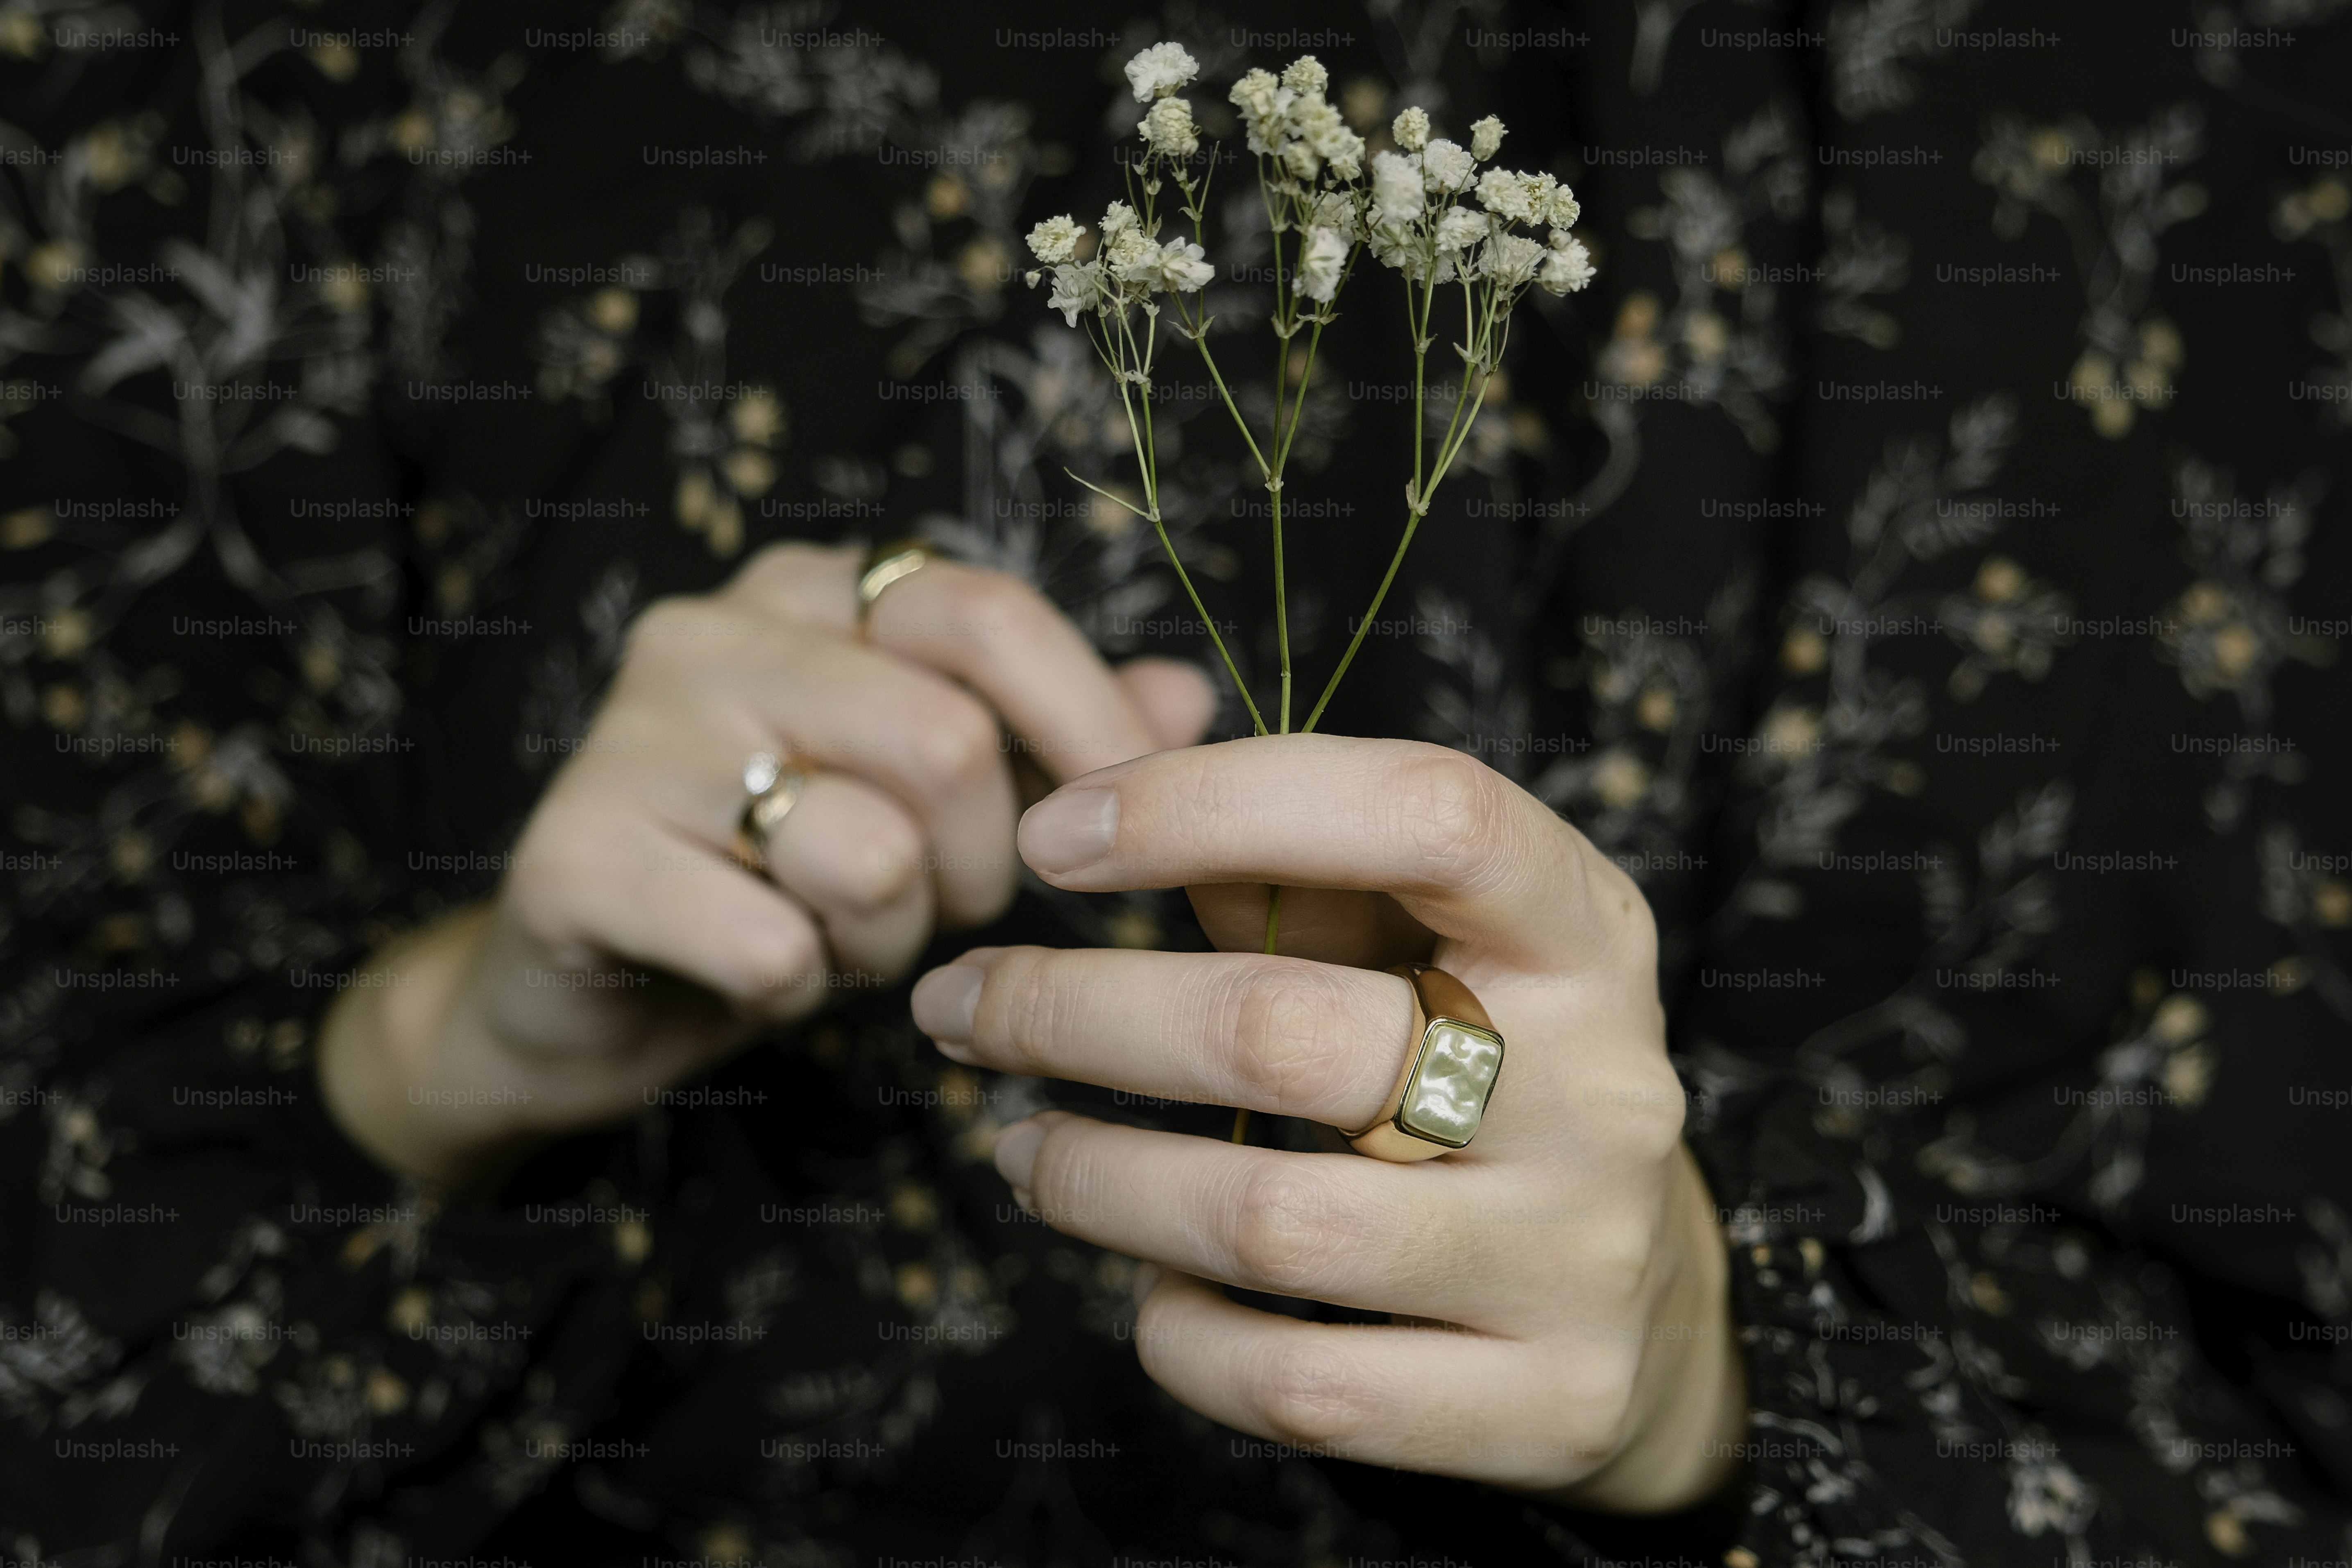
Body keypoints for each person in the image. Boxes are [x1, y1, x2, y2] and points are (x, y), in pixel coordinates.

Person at [1, 2, 2346, 1563]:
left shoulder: (2189, 115)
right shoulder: (279, 75)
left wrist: (1709, 1380)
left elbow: (2269, 1428)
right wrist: (441, 1052)